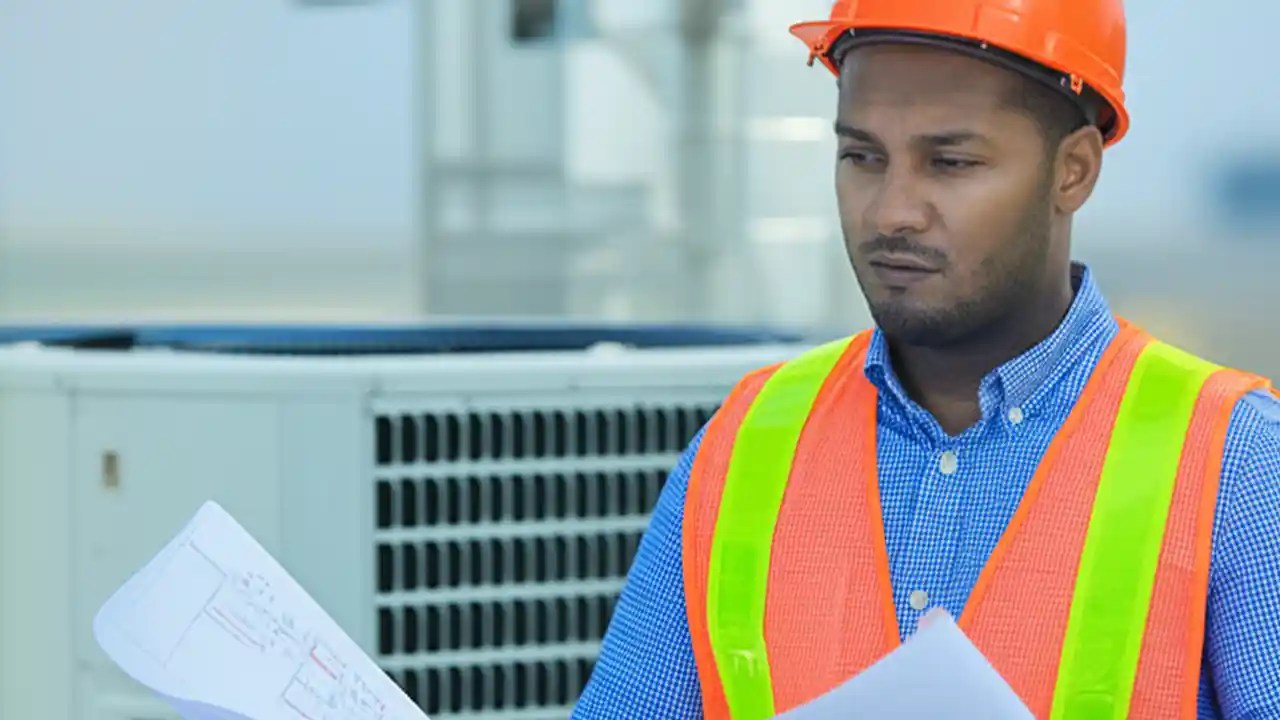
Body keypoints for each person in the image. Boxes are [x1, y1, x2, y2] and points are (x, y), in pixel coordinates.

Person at [570, 0, 1280, 718]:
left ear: (1073, 171)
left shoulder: (1236, 465)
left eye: (949, 162)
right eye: (862, 157)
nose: (891, 212)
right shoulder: (747, 443)